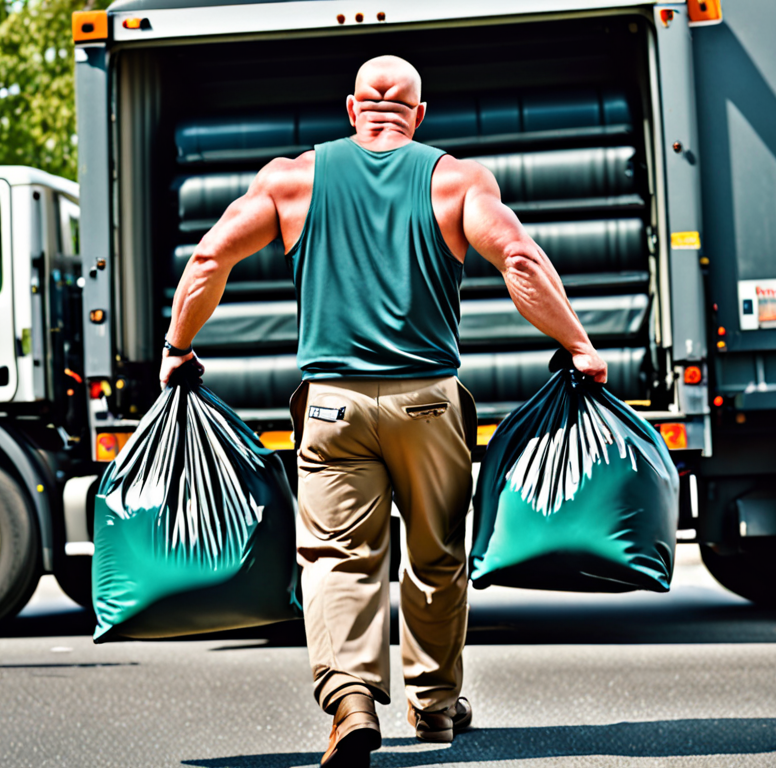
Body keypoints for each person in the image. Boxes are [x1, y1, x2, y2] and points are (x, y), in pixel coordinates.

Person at [160, 55, 608, 767]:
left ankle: (350, 703)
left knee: (338, 561)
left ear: (351, 108)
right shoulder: (457, 179)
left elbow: (210, 259)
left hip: (331, 409)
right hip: (430, 404)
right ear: (419, 115)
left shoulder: (291, 179)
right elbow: (519, 258)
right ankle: (433, 708)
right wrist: (578, 345)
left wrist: (178, 346)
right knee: (435, 560)